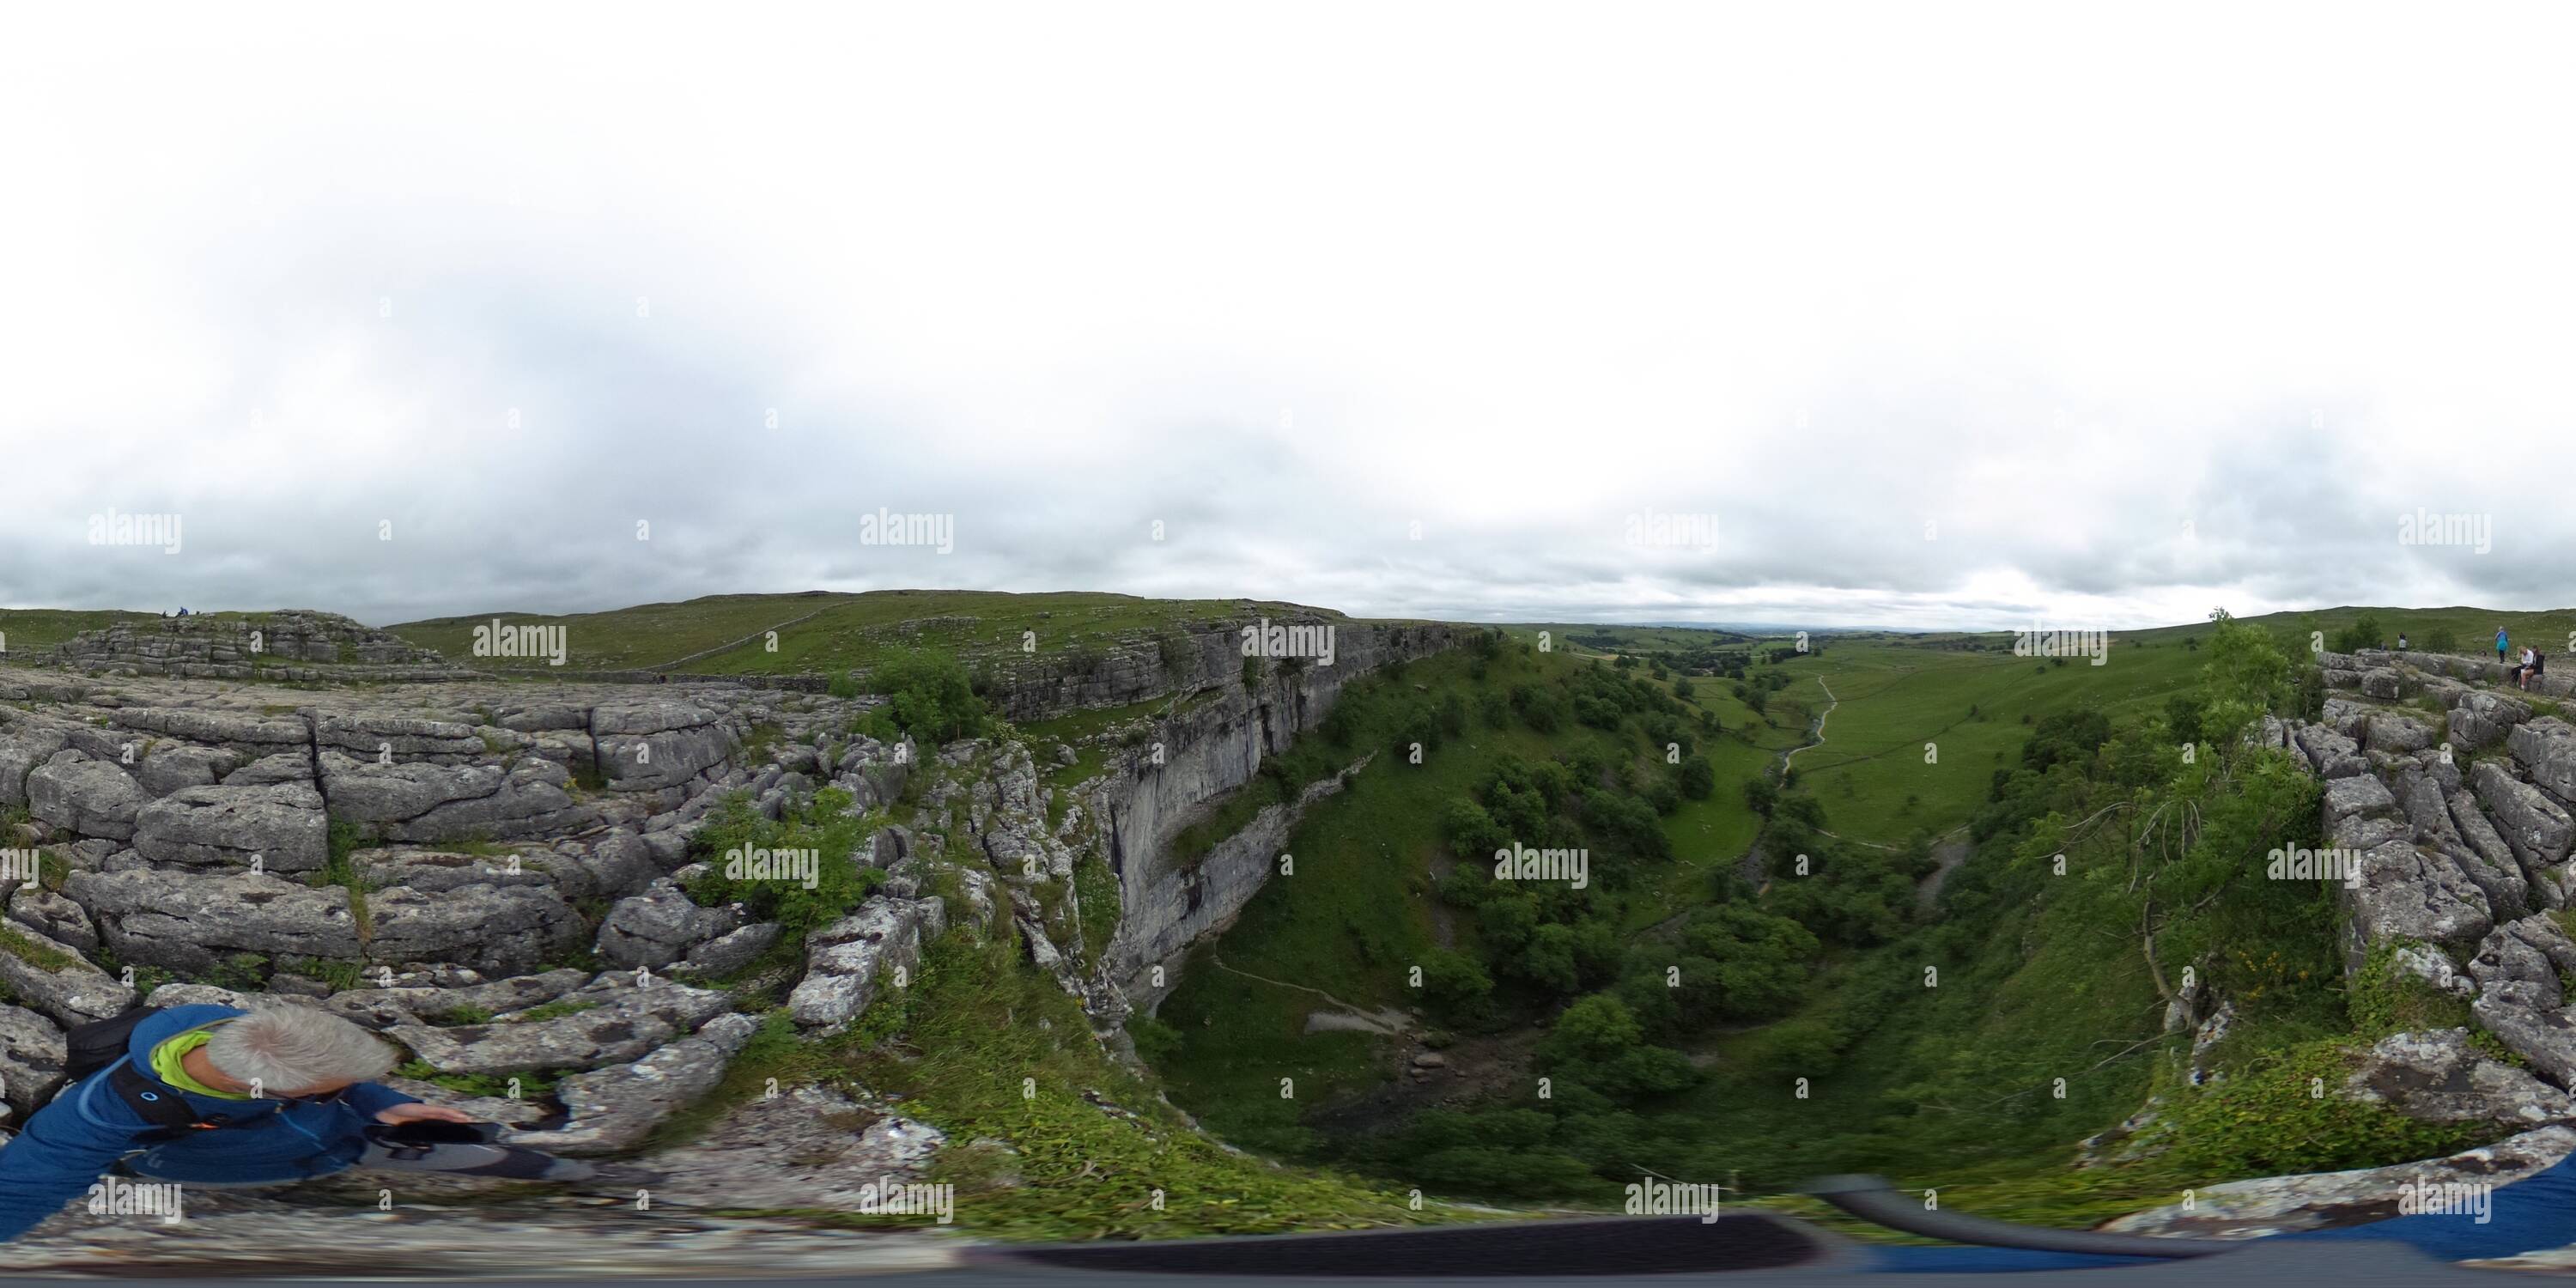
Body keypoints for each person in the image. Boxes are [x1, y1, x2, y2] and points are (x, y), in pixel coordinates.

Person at [0, 1004, 593, 1242]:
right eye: (331, 1089)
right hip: (222, 1164)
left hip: (335, 1138)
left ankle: (570, 1173)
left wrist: (382, 1103)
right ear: (259, 1088)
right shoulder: (95, 1118)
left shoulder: (220, 1024)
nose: (343, 1089)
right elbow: (20, 1186)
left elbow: (340, 1076)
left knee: (469, 1150)